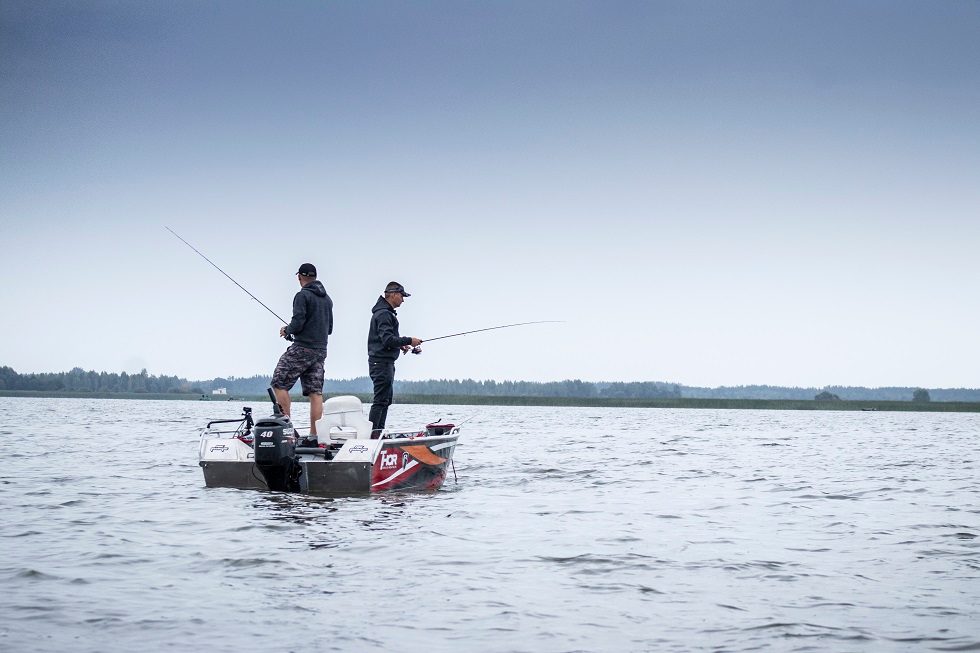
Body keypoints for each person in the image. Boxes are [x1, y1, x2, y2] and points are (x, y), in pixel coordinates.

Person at [271, 263, 333, 437]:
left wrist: (287, 330)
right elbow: (329, 329)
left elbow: (298, 322)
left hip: (303, 348)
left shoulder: (302, 296)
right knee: (315, 392)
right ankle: (314, 436)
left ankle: (286, 432)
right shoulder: (327, 300)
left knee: (279, 382)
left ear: (300, 277)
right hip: (321, 351)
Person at [367, 281, 422, 435]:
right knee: (380, 401)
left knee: (385, 400)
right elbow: (387, 339)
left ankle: (377, 434)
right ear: (393, 294)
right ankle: (373, 436)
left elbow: (386, 339)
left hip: (384, 362)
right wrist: (409, 340)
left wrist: (400, 345)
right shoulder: (384, 314)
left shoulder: (384, 313)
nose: (403, 300)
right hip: (381, 363)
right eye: (402, 296)